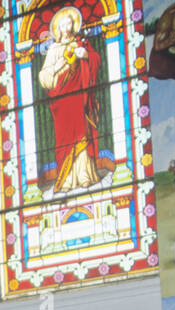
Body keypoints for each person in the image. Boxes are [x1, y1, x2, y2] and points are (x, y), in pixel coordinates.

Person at [38, 6, 102, 194]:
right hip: (61, 101)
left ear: (74, 24)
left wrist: (86, 55)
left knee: (82, 132)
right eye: (63, 23)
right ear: (58, 28)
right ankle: (65, 178)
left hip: (79, 97)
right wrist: (57, 66)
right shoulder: (54, 50)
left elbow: (96, 61)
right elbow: (44, 77)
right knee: (65, 138)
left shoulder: (81, 44)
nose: (67, 26)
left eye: (69, 22)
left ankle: (84, 175)